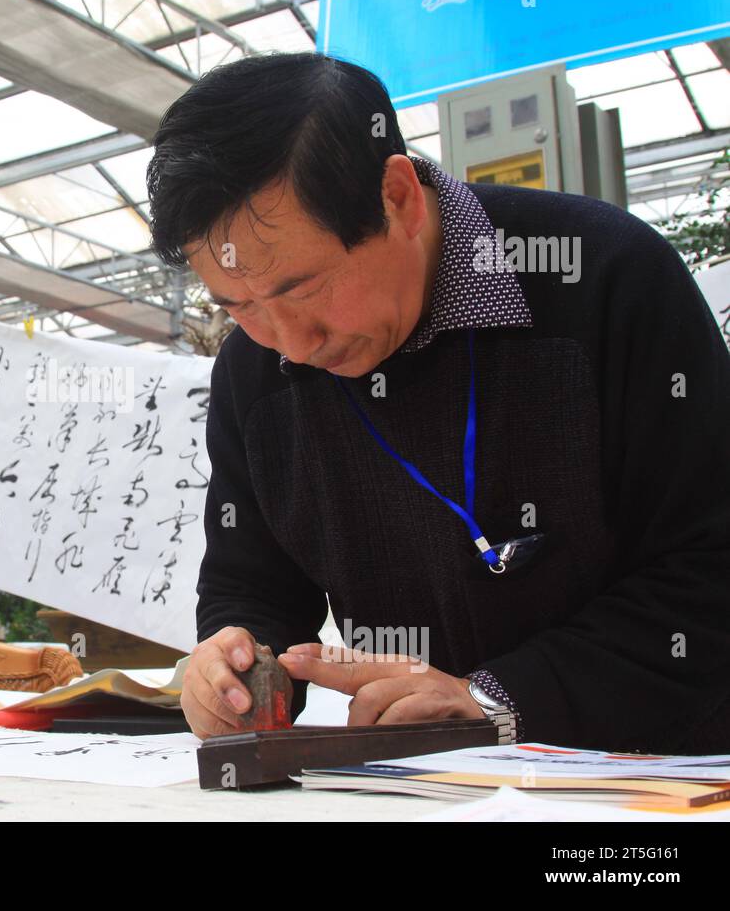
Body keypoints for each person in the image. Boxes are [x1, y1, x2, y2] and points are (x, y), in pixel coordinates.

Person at [147, 53, 730, 752]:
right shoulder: (254, 370)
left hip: (662, 778)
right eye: (239, 304)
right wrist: (238, 666)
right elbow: (254, 583)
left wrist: (494, 699)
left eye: (303, 291)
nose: (292, 345)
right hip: (421, 785)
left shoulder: (602, 275)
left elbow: (708, 567)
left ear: (397, 197)